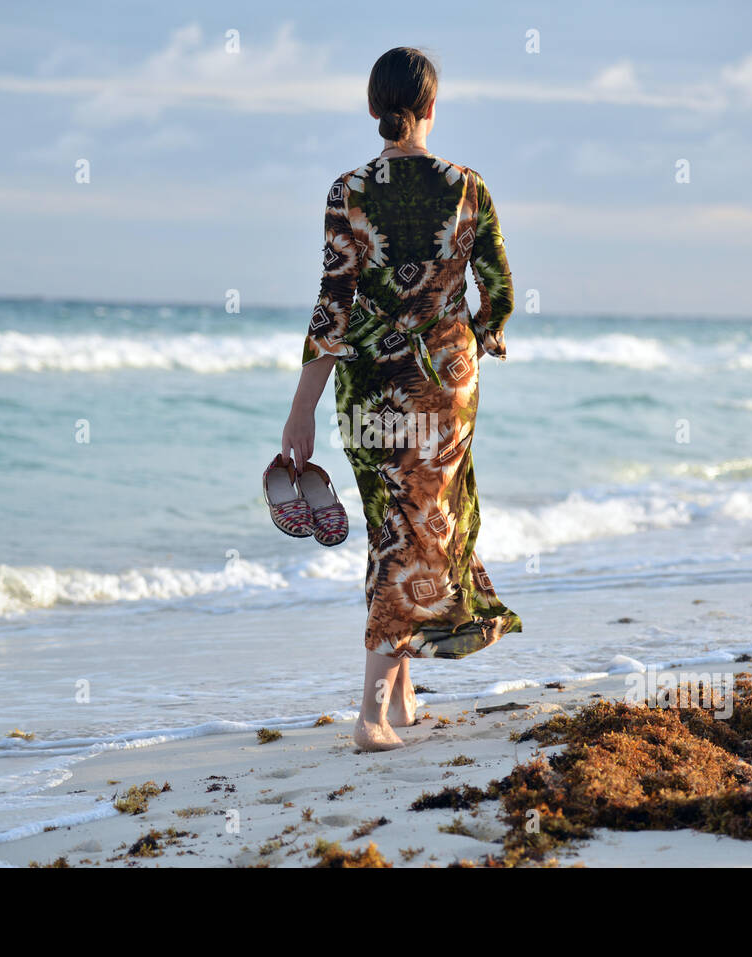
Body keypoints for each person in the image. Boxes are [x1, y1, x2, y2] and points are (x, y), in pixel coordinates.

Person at [281, 46, 521, 751]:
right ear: (432, 107)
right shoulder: (468, 187)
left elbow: (333, 305)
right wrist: (473, 341)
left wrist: (300, 409)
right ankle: (369, 716)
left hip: (365, 389)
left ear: (373, 107)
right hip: (443, 385)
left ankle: (404, 689)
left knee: (395, 526)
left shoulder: (347, 190)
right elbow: (501, 290)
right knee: (417, 533)